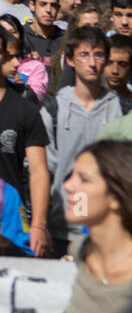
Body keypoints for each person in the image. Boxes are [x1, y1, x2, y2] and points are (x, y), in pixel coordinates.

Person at [0, 20, 52, 257]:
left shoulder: (24, 109)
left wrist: (38, 225)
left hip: (9, 219)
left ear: (5, 56)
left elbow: (38, 171)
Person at [41, 26, 124, 255]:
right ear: (69, 60)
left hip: (108, 226)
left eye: (98, 55)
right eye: (84, 55)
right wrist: (40, 222)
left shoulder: (122, 109)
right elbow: (43, 171)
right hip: (61, 226)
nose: (92, 63)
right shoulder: (53, 109)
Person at [61, 141, 132, 313]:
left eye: (84, 179)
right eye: (72, 176)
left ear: (115, 196)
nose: (68, 185)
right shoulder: (78, 251)